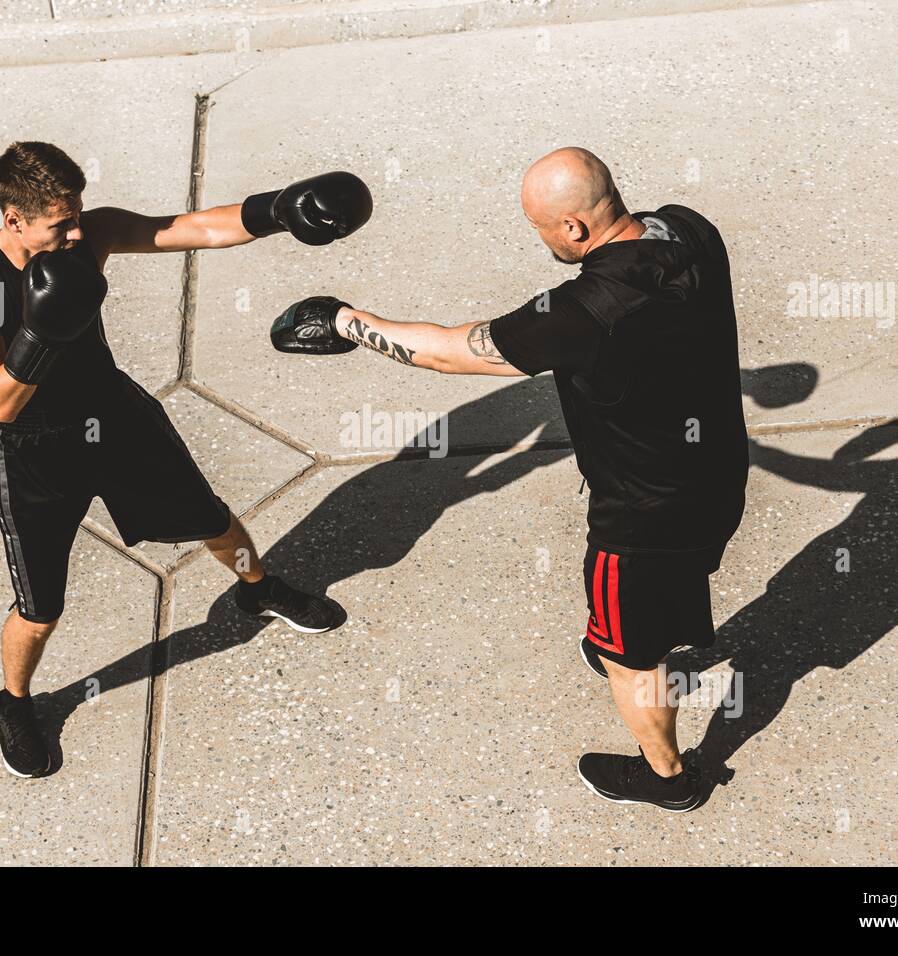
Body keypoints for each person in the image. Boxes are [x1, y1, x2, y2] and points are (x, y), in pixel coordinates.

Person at [270, 146, 748, 811]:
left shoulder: (583, 310)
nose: (545, 240)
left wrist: (348, 322)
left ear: (574, 230)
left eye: (543, 229)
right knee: (669, 587)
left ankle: (670, 777)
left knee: (632, 656)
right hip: (718, 475)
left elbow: (452, 351)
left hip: (639, 518)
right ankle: (637, 640)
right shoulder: (687, 227)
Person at [0, 141, 372, 778]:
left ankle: (259, 589)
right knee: (40, 607)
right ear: (15, 221)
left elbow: (192, 228)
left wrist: (278, 210)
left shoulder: (92, 234)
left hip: (114, 417)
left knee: (212, 519)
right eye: (61, 223)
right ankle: (15, 703)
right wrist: (41, 334)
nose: (78, 230)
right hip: (34, 451)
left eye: (78, 213)